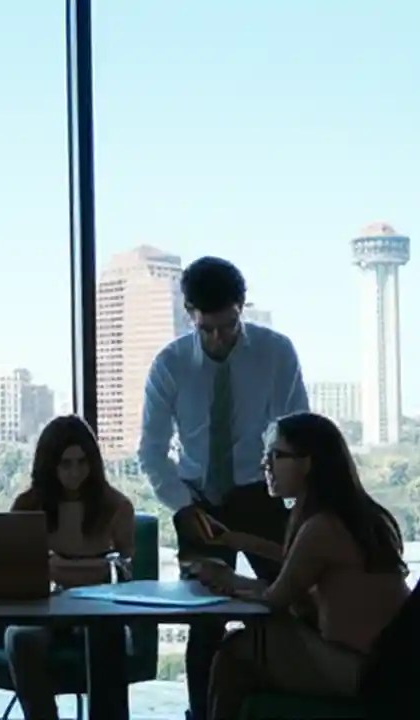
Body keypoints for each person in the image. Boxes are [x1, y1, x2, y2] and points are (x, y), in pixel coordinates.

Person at [137, 256, 309, 720]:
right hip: (196, 501)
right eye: (206, 328)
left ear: (242, 308)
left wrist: (296, 499)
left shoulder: (276, 353)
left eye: (228, 326)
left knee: (287, 607)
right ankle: (204, 715)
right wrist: (181, 506)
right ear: (190, 312)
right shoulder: (170, 364)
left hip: (260, 495)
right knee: (204, 623)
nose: (219, 339)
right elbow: (151, 452)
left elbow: (300, 432)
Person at [190, 413, 409, 720]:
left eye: (276, 456)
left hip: (361, 672)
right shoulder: (361, 517)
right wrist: (235, 543)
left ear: (308, 463)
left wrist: (226, 578)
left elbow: (275, 599)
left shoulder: (321, 527)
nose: (265, 465)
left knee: (235, 652)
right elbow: (295, 563)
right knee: (244, 648)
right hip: (393, 667)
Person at [4, 416, 136, 720]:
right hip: (44, 613)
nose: (75, 472)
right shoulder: (28, 505)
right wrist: (92, 567)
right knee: (20, 638)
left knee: (106, 634)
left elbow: (127, 575)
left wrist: (55, 566)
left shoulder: (116, 507)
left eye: (82, 462)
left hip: (102, 613)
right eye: (65, 464)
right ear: (49, 465)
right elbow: (15, 571)